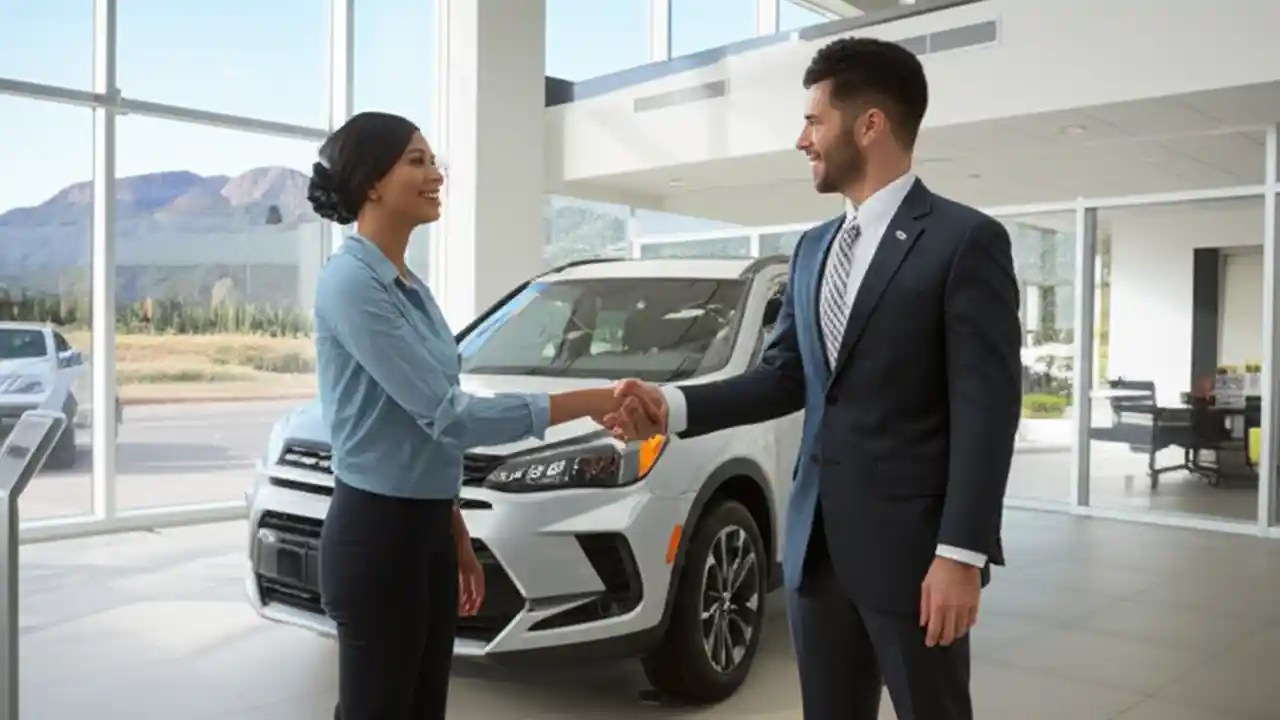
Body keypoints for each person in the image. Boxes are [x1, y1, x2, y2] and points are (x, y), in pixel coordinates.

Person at [607, 37, 1021, 720]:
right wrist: (670, 404)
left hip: (916, 560)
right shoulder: (812, 249)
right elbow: (782, 378)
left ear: (870, 125)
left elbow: (987, 411)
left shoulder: (963, 242)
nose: (802, 139)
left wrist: (961, 553)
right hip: (813, 555)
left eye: (813, 120)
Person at [306, 111, 624, 720]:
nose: (436, 174)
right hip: (377, 536)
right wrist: (596, 401)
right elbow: (448, 417)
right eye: (416, 161)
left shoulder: (409, 286)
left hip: (422, 528)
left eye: (432, 161)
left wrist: (452, 529)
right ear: (372, 182)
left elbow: (418, 430)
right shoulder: (351, 283)